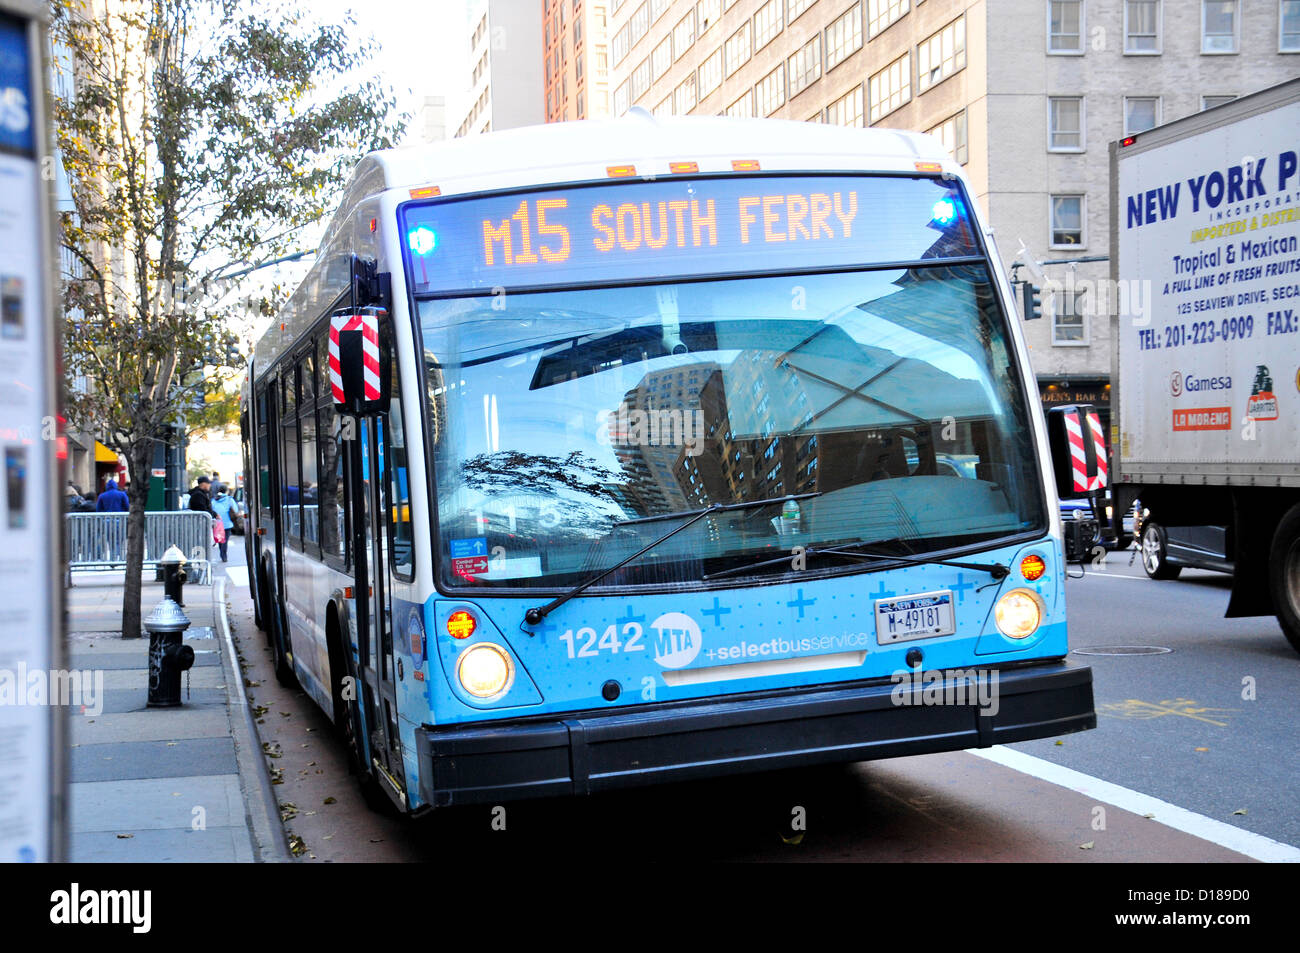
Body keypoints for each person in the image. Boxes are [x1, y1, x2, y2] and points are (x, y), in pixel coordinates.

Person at [211, 487, 238, 562]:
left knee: (220, 539)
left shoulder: (213, 500)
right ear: (226, 491)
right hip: (227, 523)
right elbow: (236, 510)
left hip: (217, 523)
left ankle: (222, 553)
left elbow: (211, 510)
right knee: (225, 540)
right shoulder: (229, 499)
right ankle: (224, 555)